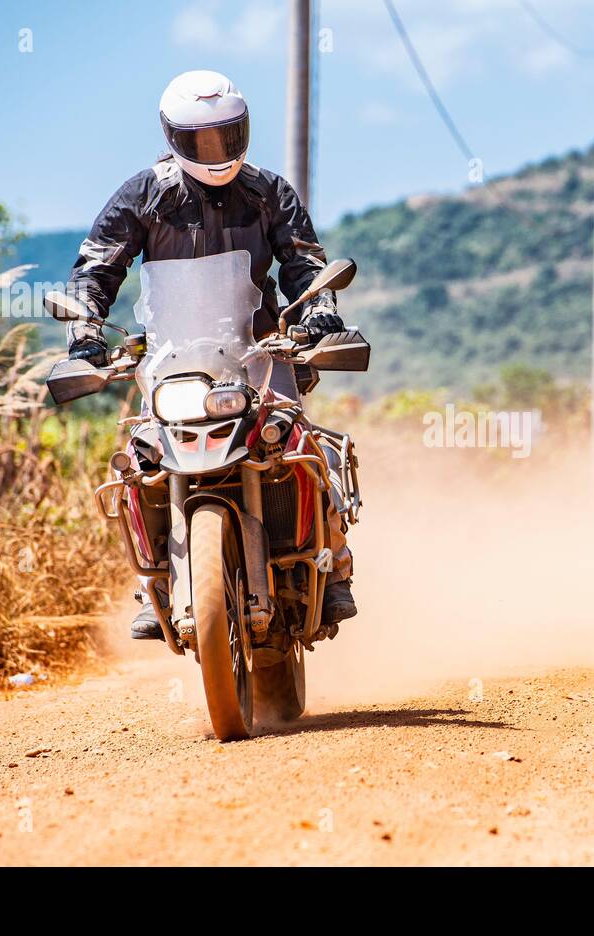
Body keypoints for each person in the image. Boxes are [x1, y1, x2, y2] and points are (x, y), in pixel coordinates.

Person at [63, 70, 356, 639]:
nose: (216, 152)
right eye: (201, 141)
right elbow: (97, 265)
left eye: (227, 135)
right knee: (142, 459)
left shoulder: (269, 192)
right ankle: (154, 580)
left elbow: (302, 261)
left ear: (244, 128)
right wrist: (85, 330)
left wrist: (319, 313)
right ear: (173, 137)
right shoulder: (142, 195)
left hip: (261, 349)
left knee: (301, 446)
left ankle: (335, 562)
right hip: (174, 360)